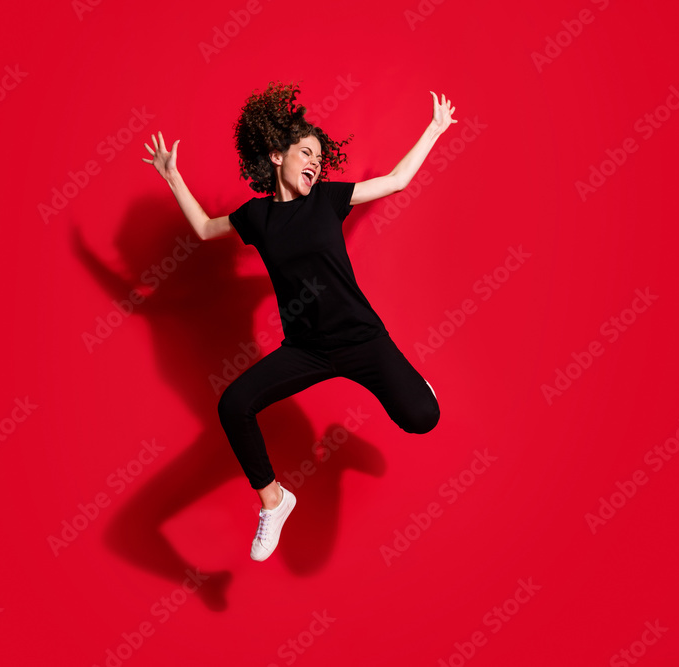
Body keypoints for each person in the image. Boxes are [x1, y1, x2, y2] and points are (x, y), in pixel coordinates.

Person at [142, 81, 457, 561]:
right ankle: (274, 499)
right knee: (233, 405)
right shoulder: (257, 217)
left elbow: (395, 180)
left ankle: (415, 386)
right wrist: (172, 177)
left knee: (423, 418)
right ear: (275, 155)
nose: (315, 160)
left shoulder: (328, 200)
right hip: (306, 349)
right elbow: (206, 229)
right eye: (306, 152)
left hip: (361, 338)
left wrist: (434, 129)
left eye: (319, 155)